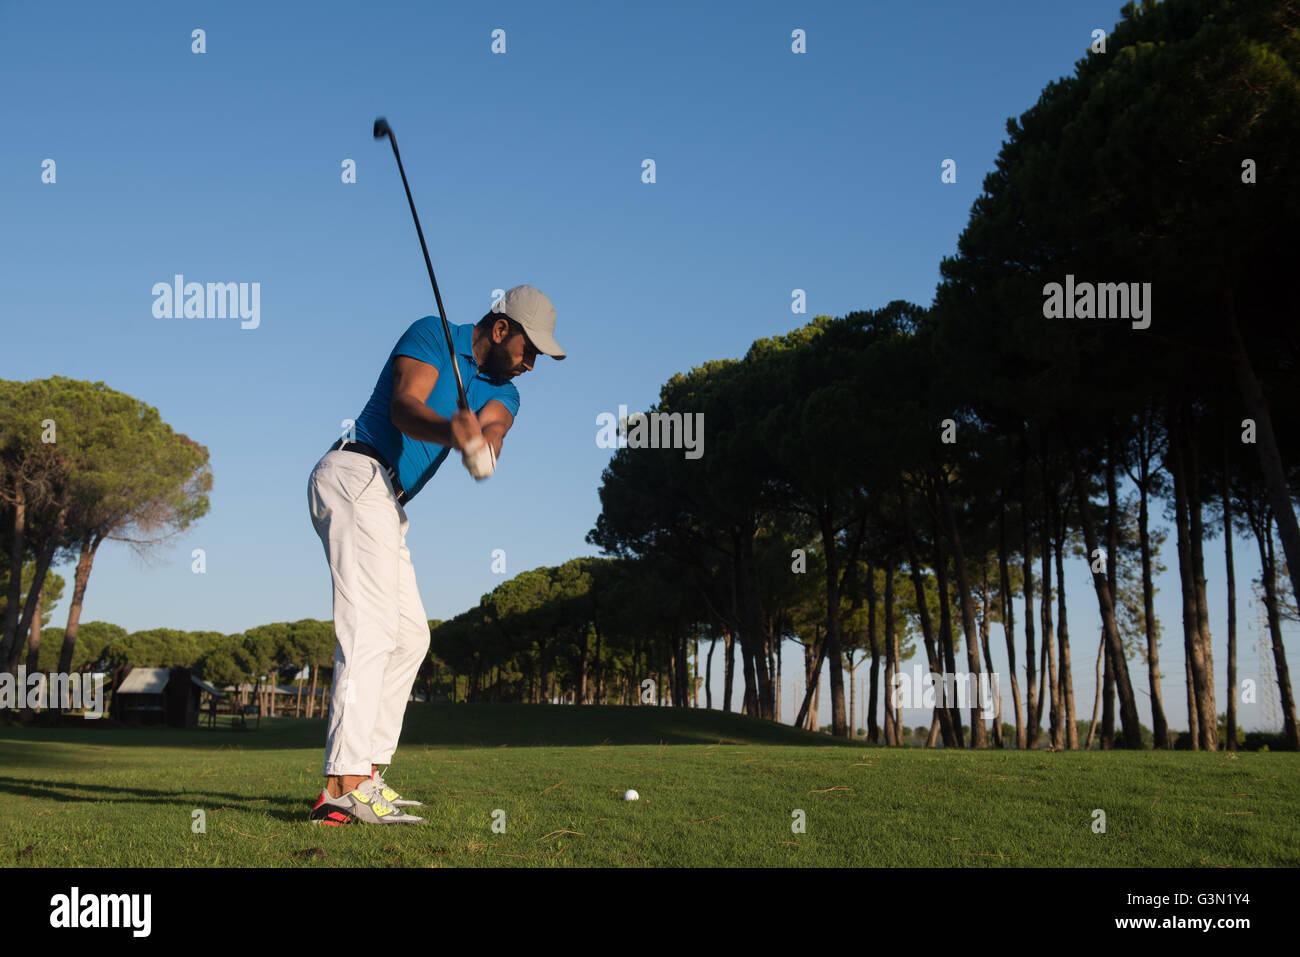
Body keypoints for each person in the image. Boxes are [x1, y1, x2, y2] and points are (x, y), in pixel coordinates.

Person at [306, 285, 565, 824]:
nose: (531, 365)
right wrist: (452, 431)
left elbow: (493, 428)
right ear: (501, 329)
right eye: (529, 350)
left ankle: (369, 776)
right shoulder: (432, 333)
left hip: (387, 498)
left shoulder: (505, 388)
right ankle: (342, 785)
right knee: (371, 629)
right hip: (357, 471)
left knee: (411, 637)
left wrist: (481, 447)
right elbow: (405, 408)